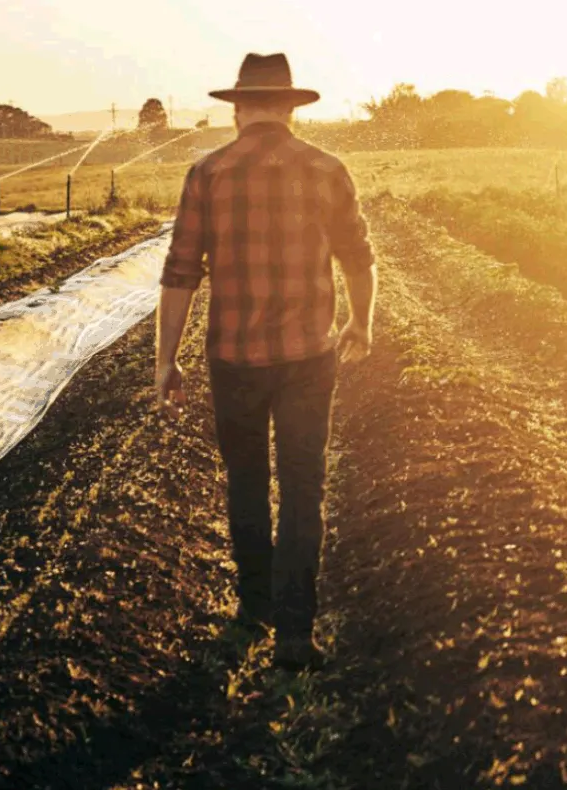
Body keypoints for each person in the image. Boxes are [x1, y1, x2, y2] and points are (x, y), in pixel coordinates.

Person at [154, 52, 376, 671]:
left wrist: (165, 361)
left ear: (237, 109)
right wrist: (362, 322)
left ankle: (252, 613)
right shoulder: (327, 169)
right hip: (310, 354)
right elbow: (359, 257)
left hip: (233, 356)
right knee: (304, 485)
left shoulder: (208, 173)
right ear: (290, 108)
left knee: (246, 482)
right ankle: (295, 634)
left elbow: (179, 274)